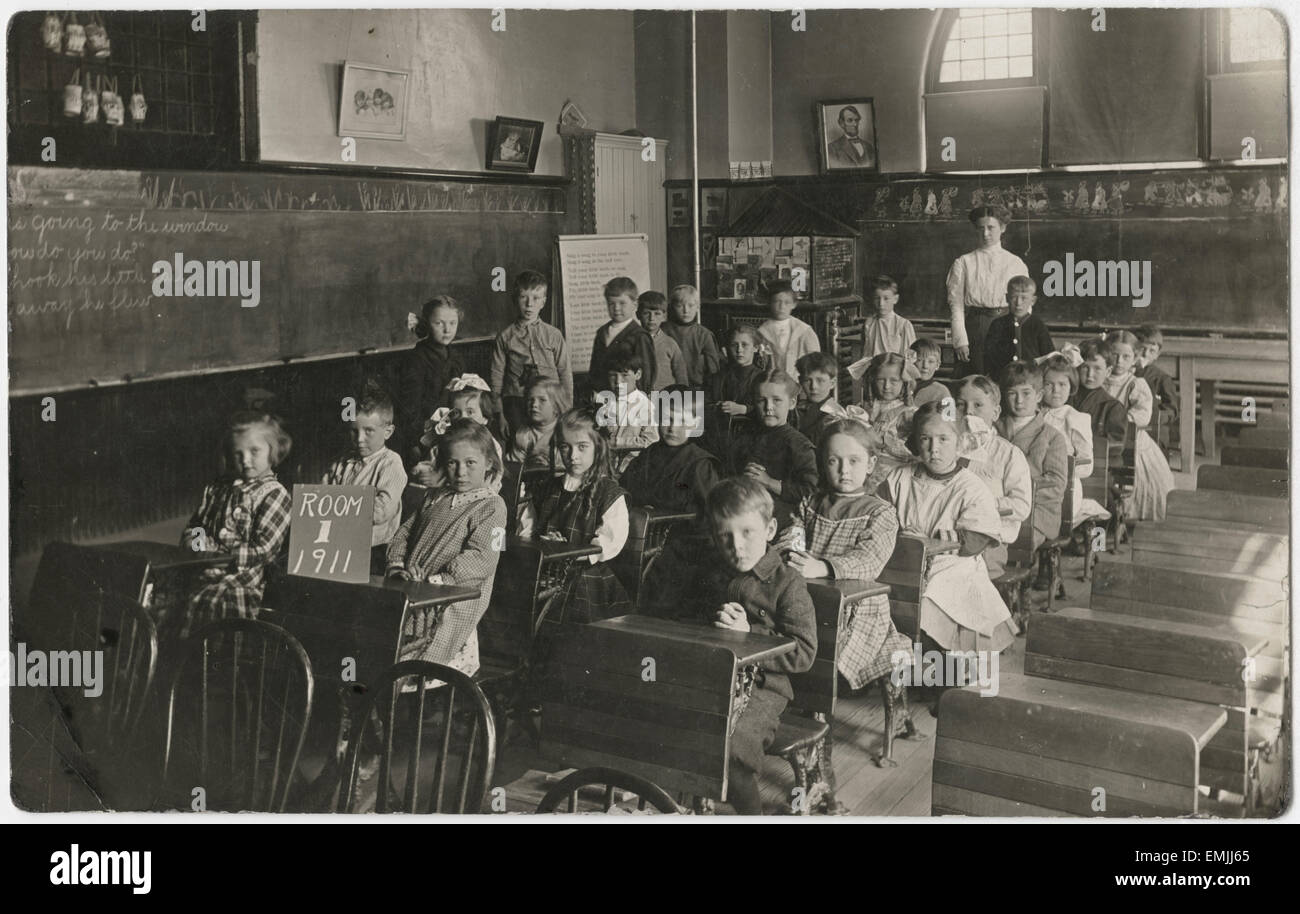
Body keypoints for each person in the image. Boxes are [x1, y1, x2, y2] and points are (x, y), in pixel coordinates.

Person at [680, 477, 817, 814]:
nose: (736, 546)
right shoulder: (710, 574)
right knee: (672, 725)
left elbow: (804, 652)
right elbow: (684, 623)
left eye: (746, 533)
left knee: (732, 752)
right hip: (711, 678)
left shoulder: (788, 584)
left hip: (764, 689)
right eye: (724, 536)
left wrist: (749, 634)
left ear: (770, 529)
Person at [775, 419, 907, 694]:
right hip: (809, 589)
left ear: (870, 464)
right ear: (824, 463)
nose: (844, 470)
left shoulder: (880, 512)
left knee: (828, 636)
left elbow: (869, 559)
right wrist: (792, 553)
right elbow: (793, 533)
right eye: (834, 461)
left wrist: (823, 566)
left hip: (857, 600)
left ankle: (820, 691)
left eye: (854, 461)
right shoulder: (811, 502)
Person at [877, 401, 1017, 657]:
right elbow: (879, 513)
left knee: (930, 595)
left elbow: (976, 538)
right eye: (926, 439)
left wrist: (934, 544)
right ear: (915, 443)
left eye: (943, 439)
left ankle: (937, 663)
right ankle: (890, 656)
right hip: (902, 556)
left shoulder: (970, 487)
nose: (934, 448)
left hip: (951, 562)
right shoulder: (899, 477)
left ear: (960, 442)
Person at [386, 420, 507, 675]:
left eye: (470, 463)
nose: (460, 472)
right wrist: (397, 566)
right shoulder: (434, 495)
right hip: (414, 589)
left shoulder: (493, 506)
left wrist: (438, 580)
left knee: (423, 659)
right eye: (453, 463)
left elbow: (484, 558)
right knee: (387, 646)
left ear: (489, 463)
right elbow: (404, 532)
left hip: (450, 599)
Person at [174, 411, 293, 641]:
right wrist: (197, 548)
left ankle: (218, 669)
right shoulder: (218, 488)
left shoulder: (274, 495)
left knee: (212, 605)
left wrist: (220, 557)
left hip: (240, 583)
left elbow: (264, 550)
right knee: (166, 599)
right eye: (238, 453)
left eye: (254, 451)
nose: (245, 460)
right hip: (204, 570)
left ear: (273, 451)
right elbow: (197, 525)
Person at [518, 408, 633, 623]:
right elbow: (527, 527)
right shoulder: (547, 487)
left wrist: (566, 551)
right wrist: (540, 546)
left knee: (570, 614)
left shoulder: (608, 493)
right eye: (565, 447)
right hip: (545, 568)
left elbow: (609, 542)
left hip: (582, 573)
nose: (573, 456)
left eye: (582, 447)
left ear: (597, 448)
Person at [321, 383, 408, 575]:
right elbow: (320, 498)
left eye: (368, 431)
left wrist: (337, 508)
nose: (359, 439)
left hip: (372, 551)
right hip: (337, 543)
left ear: (388, 432)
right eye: (353, 431)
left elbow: (380, 511)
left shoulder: (390, 463)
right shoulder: (342, 461)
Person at [953, 375, 1032, 578]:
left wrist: (984, 504)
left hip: (988, 542)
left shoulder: (1008, 454)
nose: (968, 411)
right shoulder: (948, 449)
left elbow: (1021, 506)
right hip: (948, 535)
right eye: (961, 405)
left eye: (978, 405)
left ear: (995, 412)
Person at [727, 370, 819, 526]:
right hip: (745, 513)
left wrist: (769, 482)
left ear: (792, 403)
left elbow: (811, 492)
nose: (768, 407)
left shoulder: (799, 445)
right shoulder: (744, 438)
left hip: (784, 522)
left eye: (777, 400)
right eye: (761, 400)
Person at [994, 361, 1069, 553]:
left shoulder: (1052, 437)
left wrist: (1017, 492)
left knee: (1013, 540)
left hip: (1037, 511)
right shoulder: (994, 428)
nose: (1019, 401)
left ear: (1039, 395)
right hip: (998, 505)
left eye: (1026, 393)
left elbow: (1056, 485)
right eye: (1012, 393)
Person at [946, 205, 1028, 378]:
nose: (985, 234)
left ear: (1003, 228)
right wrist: (960, 340)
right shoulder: (964, 263)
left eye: (991, 228)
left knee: (1006, 379)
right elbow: (956, 305)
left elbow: (1025, 307)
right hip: (975, 328)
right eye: (980, 228)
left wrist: (1022, 338)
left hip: (1007, 327)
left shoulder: (1015, 263)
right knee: (974, 380)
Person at [1102, 330, 1175, 521]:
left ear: (1134, 357)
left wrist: (1120, 420)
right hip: (1102, 433)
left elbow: (1143, 413)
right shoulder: (1100, 378)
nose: (1119, 361)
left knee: (1137, 477)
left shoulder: (1136, 384)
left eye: (1126, 357)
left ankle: (1128, 514)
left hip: (1128, 437)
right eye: (1114, 355)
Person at [490, 270, 572, 435]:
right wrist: (500, 414)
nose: (529, 304)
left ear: (543, 302)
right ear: (515, 299)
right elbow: (496, 378)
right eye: (523, 297)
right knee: (520, 442)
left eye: (535, 298)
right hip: (517, 402)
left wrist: (567, 409)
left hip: (550, 401)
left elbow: (565, 373)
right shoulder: (505, 337)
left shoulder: (553, 335)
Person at [619, 386, 721, 514]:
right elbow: (623, 491)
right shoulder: (648, 454)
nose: (672, 428)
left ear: (695, 424)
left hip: (681, 532)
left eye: (682, 421)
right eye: (667, 419)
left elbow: (709, 514)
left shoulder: (700, 464)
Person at [399, 296, 464, 467]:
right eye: (439, 323)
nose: (447, 330)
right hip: (425, 434)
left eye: (452, 323)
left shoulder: (456, 357)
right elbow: (409, 407)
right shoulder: (416, 359)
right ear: (427, 324)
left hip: (453, 430)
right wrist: (415, 442)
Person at [589, 276, 657, 396]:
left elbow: (646, 375)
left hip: (629, 400)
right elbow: (594, 369)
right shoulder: (602, 332)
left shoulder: (639, 336)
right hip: (603, 399)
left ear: (635, 305)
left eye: (622, 303)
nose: (616, 308)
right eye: (611, 303)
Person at [982, 275, 1055, 384]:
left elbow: (1049, 355)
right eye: (1014, 297)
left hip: (1031, 382)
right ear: (1007, 298)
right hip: (1003, 381)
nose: (1018, 303)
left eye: (1024, 298)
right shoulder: (998, 324)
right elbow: (988, 356)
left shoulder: (1037, 325)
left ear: (1033, 300)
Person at [757, 279, 819, 379]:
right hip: (772, 383)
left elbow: (815, 360)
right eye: (777, 302)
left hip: (798, 382)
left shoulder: (804, 331)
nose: (782, 307)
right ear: (770, 303)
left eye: (787, 302)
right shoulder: (762, 331)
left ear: (794, 304)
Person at [663, 284, 720, 388]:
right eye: (680, 306)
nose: (686, 310)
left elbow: (713, 370)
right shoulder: (663, 330)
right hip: (667, 388)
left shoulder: (704, 335)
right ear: (672, 307)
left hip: (697, 389)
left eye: (691, 305)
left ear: (698, 307)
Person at [505, 377, 567, 470]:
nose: (534, 404)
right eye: (530, 399)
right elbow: (514, 466)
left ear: (556, 406)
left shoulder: (565, 432)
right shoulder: (524, 434)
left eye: (542, 400)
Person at [637, 290, 689, 390]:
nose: (652, 318)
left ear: (664, 316)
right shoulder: (632, 343)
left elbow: (681, 376)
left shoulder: (670, 344)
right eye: (646, 313)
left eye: (657, 314)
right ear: (638, 315)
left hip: (667, 399)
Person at [793, 351, 840, 447]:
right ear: (800, 381)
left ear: (832, 383)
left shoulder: (836, 416)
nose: (813, 387)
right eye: (807, 380)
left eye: (820, 380)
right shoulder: (795, 409)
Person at [910, 338, 948, 408]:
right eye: (919, 360)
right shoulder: (901, 386)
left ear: (937, 365)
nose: (925, 366)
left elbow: (949, 417)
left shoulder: (941, 391)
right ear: (910, 361)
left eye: (931, 362)